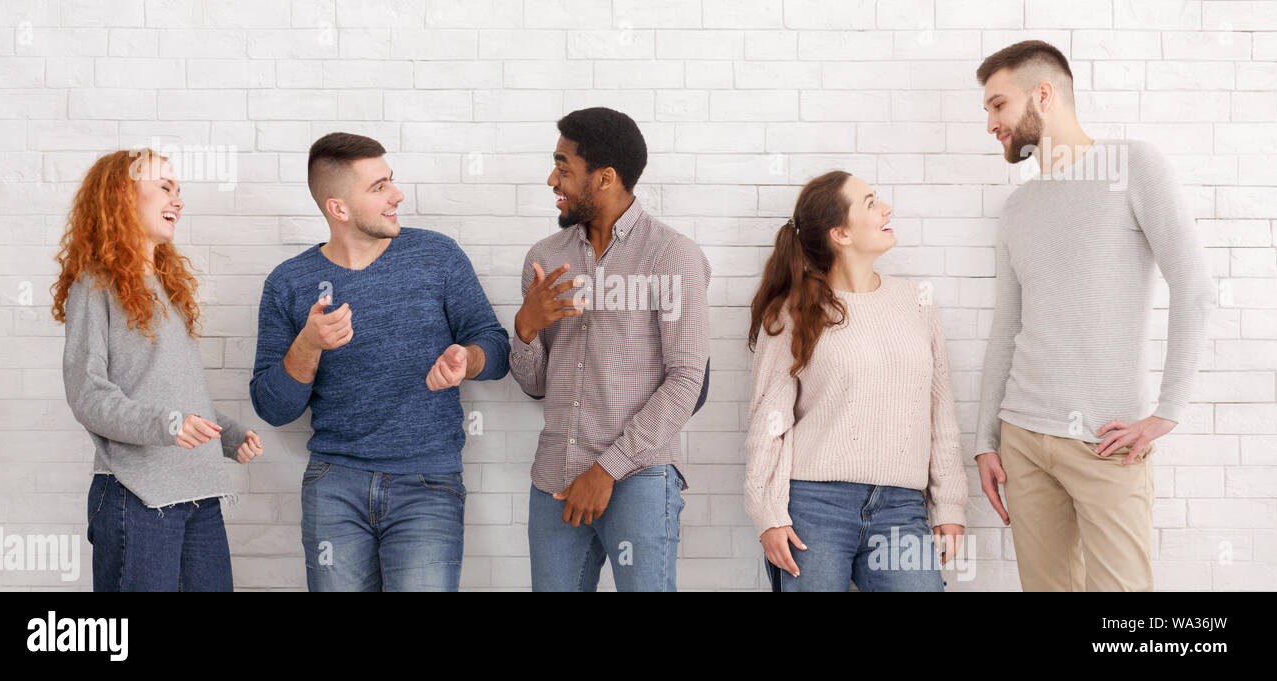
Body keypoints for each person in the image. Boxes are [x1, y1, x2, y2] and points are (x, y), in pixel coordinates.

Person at [973, 41, 1214, 591]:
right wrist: (987, 439)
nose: (990, 123)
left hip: (1108, 441)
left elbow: (1194, 286)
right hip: (1024, 440)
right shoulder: (1019, 208)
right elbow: (1006, 329)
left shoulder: (1133, 165)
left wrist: (1167, 411)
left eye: (997, 105)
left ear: (1043, 94)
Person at [249, 132, 510, 592]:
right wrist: (308, 344)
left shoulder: (437, 256)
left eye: (390, 180)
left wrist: (466, 359)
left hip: (428, 482)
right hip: (333, 486)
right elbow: (273, 408)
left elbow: (495, 346)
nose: (397, 195)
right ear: (339, 209)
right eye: (378, 187)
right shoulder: (288, 283)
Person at [511, 107, 711, 591]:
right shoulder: (545, 258)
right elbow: (535, 384)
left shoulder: (672, 255)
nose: (551, 179)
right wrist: (525, 328)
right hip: (555, 477)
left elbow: (688, 381)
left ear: (604, 177)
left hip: (639, 478)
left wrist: (606, 470)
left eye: (563, 166)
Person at [744, 170, 968, 592]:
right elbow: (768, 420)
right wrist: (768, 513)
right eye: (870, 203)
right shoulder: (794, 311)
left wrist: (949, 505)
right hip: (814, 506)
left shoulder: (916, 302)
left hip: (902, 508)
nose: (887, 209)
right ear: (841, 233)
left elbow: (941, 414)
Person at [54, 149, 264, 592]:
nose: (178, 199)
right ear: (122, 197)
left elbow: (180, 398)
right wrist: (167, 425)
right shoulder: (95, 284)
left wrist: (227, 435)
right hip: (138, 495)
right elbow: (87, 394)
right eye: (164, 187)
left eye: (179, 190)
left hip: (200, 493)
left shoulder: (167, 289)